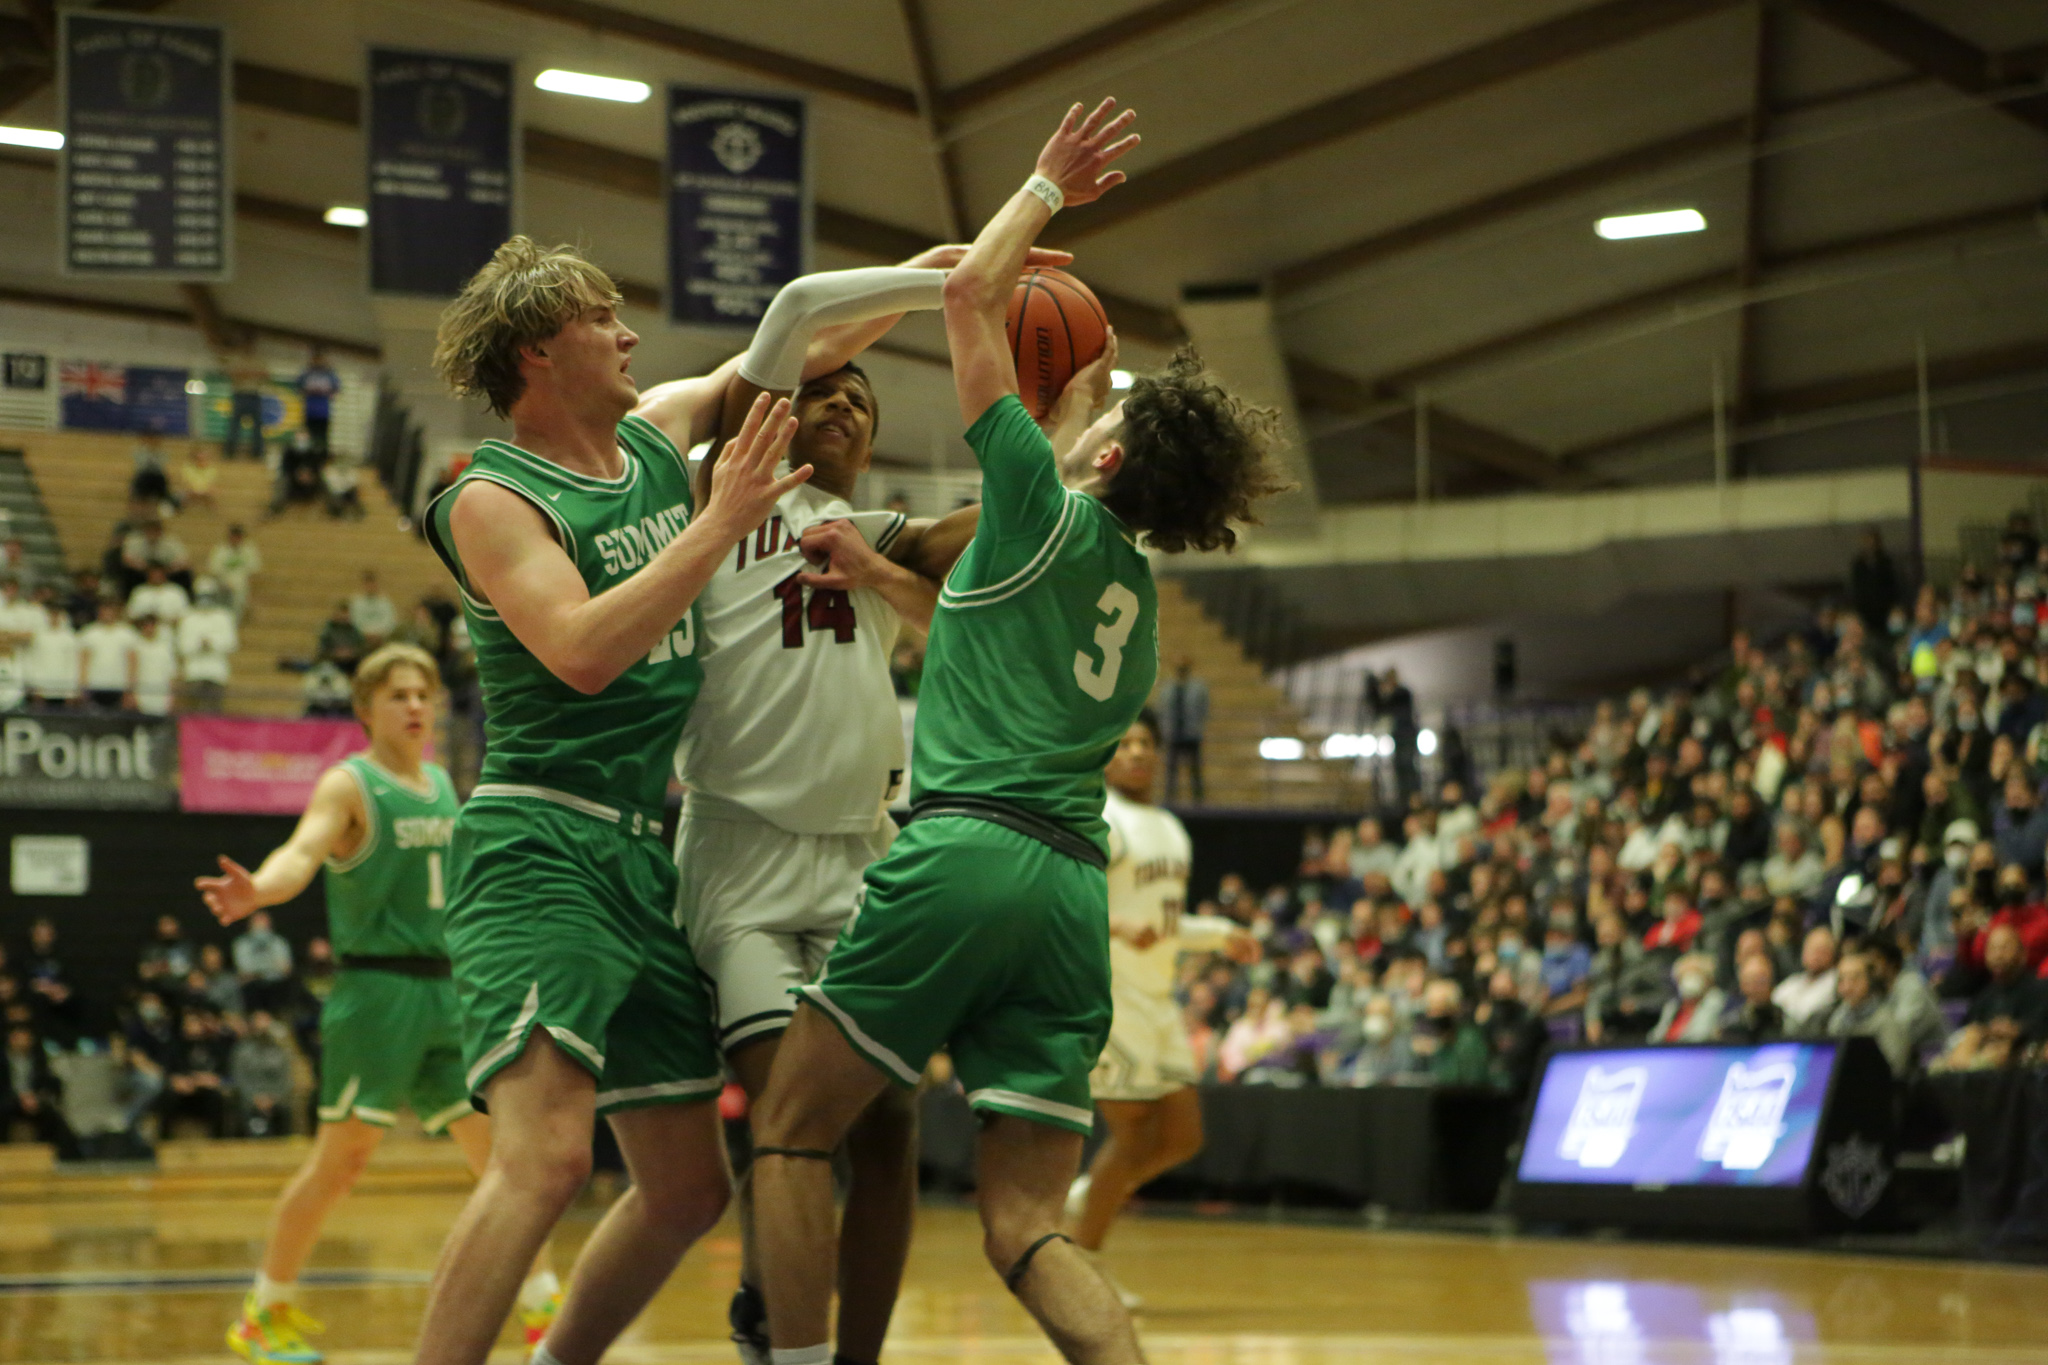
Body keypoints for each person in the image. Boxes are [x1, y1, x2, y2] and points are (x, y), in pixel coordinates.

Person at [750, 99, 1285, 1365]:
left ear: (1100, 464)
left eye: (1100, 424)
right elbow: (981, 638)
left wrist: (1042, 186)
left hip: (961, 854)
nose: (1087, 417)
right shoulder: (1134, 611)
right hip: (1063, 895)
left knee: (787, 1129)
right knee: (1026, 1227)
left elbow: (967, 307)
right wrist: (879, 576)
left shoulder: (1036, 500)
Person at [413, 234, 807, 1365]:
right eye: (603, 318)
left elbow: (789, 349)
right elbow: (582, 650)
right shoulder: (490, 497)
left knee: (687, 1191)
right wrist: (716, 524)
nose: (630, 334)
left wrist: (965, 267)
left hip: (646, 855)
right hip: (540, 841)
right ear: (539, 349)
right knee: (540, 1162)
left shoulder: (652, 437)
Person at [655, 246, 1007, 1365]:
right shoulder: (725, 492)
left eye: (861, 398)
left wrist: (1073, 447)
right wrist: (944, 280)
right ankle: (788, 1338)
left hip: (861, 861)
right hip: (743, 861)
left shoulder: (877, 536)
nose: (847, 404)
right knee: (793, 1117)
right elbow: (800, 313)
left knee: (892, 1123)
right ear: (777, 417)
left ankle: (840, 1347)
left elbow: (978, 538)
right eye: (825, 392)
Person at [198, 644, 562, 1364]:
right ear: (366, 709)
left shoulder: (442, 784)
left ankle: (543, 1305)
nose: (416, 707)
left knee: (509, 1161)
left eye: (424, 693)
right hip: (376, 993)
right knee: (341, 1165)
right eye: (398, 695)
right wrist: (260, 891)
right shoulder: (348, 784)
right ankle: (263, 1310)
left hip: (448, 990)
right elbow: (302, 853)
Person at [1066, 713, 1254, 1299]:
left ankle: (1090, 1192)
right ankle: (1084, 1270)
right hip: (1111, 992)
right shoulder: (1099, 817)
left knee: (1182, 1136)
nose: (1138, 751)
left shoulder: (1172, 829)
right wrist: (1114, 922)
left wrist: (1218, 932)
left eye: (1146, 742)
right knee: (1133, 1131)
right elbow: (1064, 902)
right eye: (1124, 742)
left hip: (1158, 998)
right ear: (1105, 754)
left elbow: (1166, 923)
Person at [2, 1024, 79, 1159]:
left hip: (35, 1102)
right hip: (7, 1103)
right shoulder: (2, 1060)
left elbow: (49, 1082)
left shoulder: (39, 1059)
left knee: (57, 1122)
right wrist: (18, 1099)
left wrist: (37, 1097)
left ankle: (67, 1161)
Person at [178, 580, 238, 712]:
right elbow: (182, 646)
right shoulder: (188, 617)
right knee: (194, 710)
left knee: (214, 711)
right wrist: (199, 644)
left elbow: (231, 643)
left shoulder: (223, 616)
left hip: (216, 672)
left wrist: (211, 643)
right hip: (194, 672)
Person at [1156, 655, 1208, 804]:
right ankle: (1170, 799)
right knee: (1171, 771)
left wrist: (1198, 726)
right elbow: (1163, 709)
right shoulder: (1168, 688)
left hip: (1192, 733)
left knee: (1195, 770)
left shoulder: (1198, 687)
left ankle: (1199, 800)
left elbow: (1204, 708)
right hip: (1173, 733)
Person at [75, 597, 139, 711]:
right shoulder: (89, 633)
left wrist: (130, 690)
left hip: (119, 685)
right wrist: (83, 688)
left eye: (110, 610)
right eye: (104, 610)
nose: (107, 613)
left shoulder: (127, 633)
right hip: (95, 685)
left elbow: (132, 663)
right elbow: (83, 662)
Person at [1773, 926, 1840, 1032]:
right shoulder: (1792, 982)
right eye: (1811, 949)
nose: (1815, 955)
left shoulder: (1836, 980)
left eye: (1821, 950)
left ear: (1832, 953)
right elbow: (1774, 1004)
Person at [1717, 952, 1788, 1042]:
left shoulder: (1786, 1021)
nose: (1755, 988)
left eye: (1761, 981)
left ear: (1772, 983)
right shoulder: (1730, 1025)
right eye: (1750, 981)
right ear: (1742, 985)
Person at [208, 524, 263, 619]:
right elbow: (214, 570)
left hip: (241, 582)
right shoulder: (220, 550)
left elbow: (253, 571)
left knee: (240, 591)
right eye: (234, 536)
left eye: (238, 537)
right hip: (223, 582)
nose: (236, 539)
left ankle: (236, 618)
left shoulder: (249, 549)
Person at [224, 347, 269, 460]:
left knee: (257, 426)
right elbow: (231, 373)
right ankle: (230, 451)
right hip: (240, 394)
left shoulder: (259, 361)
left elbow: (266, 375)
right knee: (234, 425)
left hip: (254, 395)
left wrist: (246, 374)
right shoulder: (236, 360)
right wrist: (251, 374)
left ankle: (257, 452)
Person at [132, 614, 178, 716]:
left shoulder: (165, 648)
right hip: (140, 695)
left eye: (152, 626)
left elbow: (171, 675)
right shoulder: (135, 647)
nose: (149, 629)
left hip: (161, 696)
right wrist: (132, 695)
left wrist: (171, 698)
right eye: (146, 626)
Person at [297, 349, 340, 458]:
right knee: (308, 434)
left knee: (322, 435)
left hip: (323, 411)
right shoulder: (307, 373)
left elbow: (336, 388)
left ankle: (322, 455)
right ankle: (307, 455)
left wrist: (325, 392)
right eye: (316, 359)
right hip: (310, 409)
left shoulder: (329, 374)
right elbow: (298, 386)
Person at [348, 570, 396, 646]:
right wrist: (367, 634)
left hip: (382, 640)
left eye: (372, 584)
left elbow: (389, 622)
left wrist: (378, 634)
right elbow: (355, 621)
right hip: (362, 640)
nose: (370, 587)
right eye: (368, 584)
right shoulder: (357, 603)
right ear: (363, 585)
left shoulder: (385, 603)